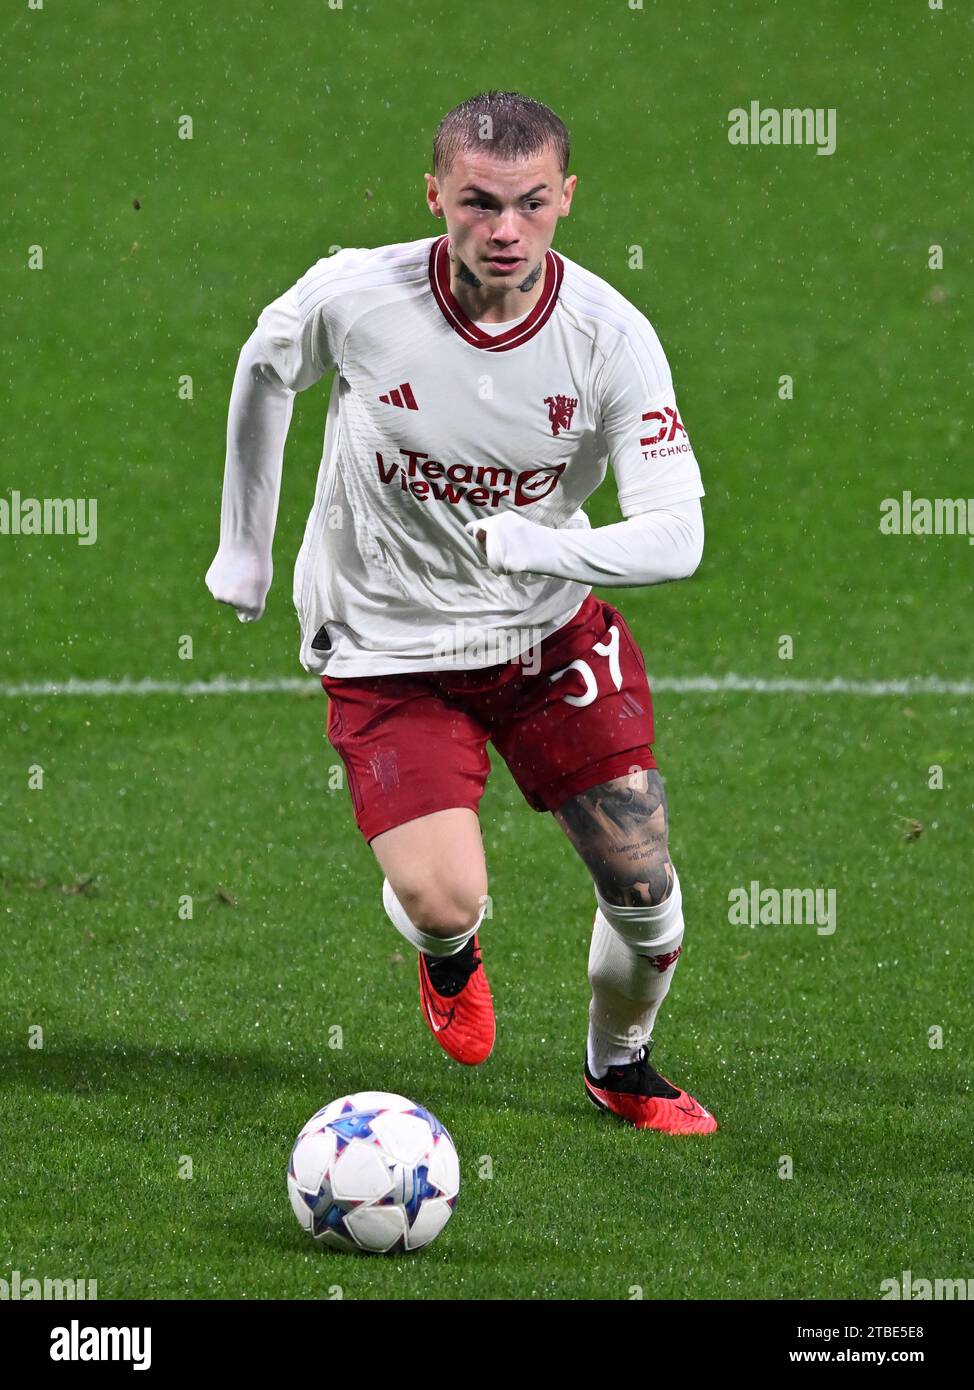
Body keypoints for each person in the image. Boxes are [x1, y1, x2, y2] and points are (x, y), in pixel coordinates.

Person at [206, 90, 716, 1135]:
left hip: (542, 635)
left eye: (530, 203)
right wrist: (243, 548)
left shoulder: (609, 338)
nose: (503, 230)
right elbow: (263, 370)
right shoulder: (356, 296)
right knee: (444, 900)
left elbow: (678, 535)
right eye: (478, 203)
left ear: (566, 198)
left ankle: (618, 1065)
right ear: (433, 192)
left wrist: (549, 545)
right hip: (386, 643)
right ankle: (448, 954)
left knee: (645, 889)